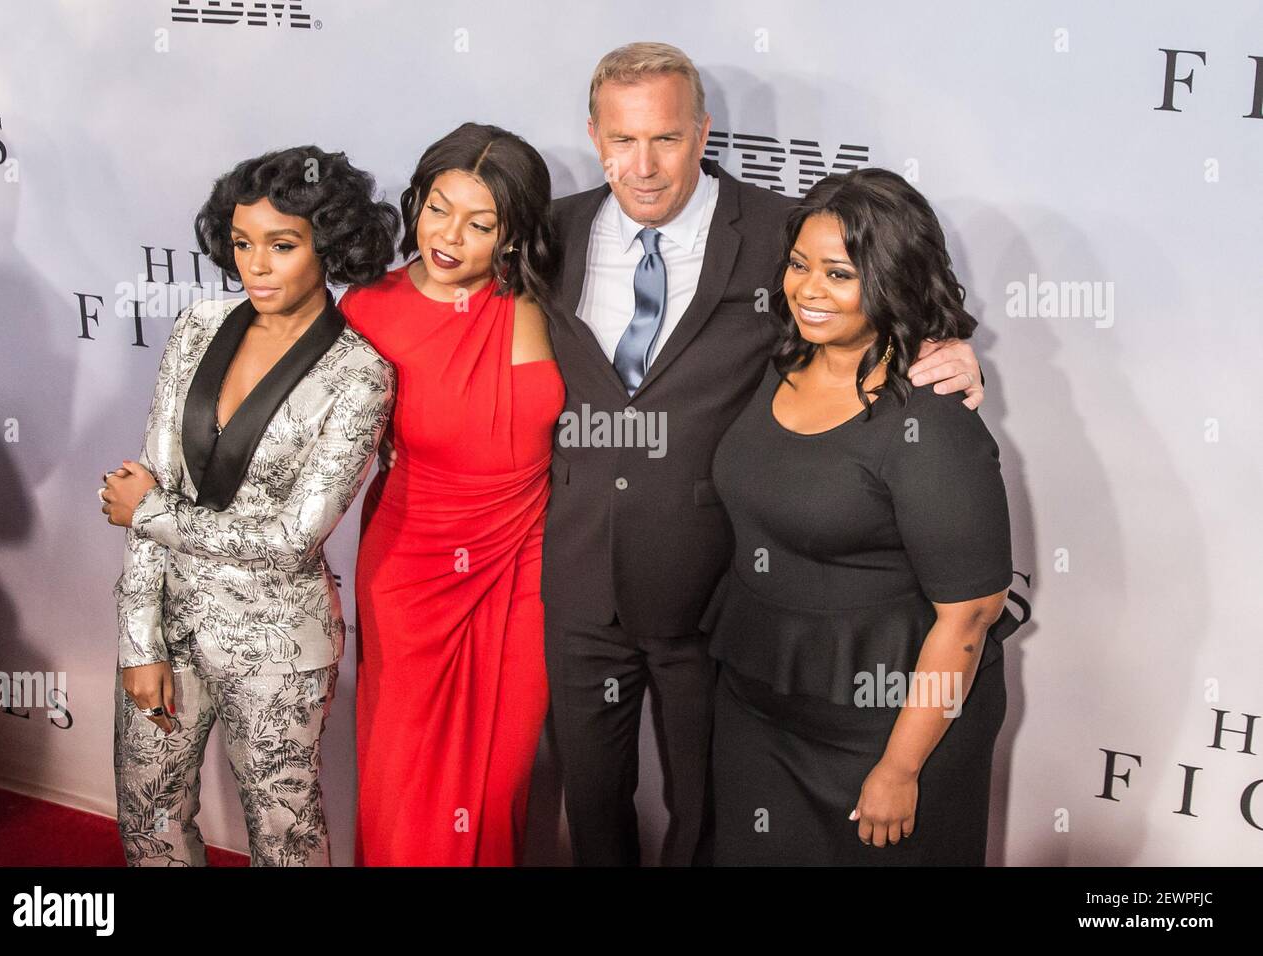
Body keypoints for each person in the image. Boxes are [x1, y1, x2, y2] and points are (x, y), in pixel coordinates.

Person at [542, 42, 988, 866]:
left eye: (666, 139)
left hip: (714, 586)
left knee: (709, 810)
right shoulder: (551, 234)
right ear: (594, 135)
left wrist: (954, 349)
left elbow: (874, 291)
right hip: (575, 574)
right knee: (589, 801)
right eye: (621, 141)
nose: (643, 167)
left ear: (703, 132)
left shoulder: (780, 235)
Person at [703, 168, 1019, 865]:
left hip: (884, 734)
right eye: (798, 265)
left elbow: (969, 615)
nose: (808, 290)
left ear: (892, 281)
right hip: (760, 711)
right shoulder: (782, 358)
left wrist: (900, 769)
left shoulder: (931, 420)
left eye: (839, 274)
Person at [101, 146, 397, 866]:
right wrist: (140, 639)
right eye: (241, 243)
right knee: (148, 819)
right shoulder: (198, 326)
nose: (255, 265)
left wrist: (150, 513)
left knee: (285, 839)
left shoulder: (362, 374)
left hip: (280, 647)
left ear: (327, 245)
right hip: (168, 625)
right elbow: (156, 475)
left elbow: (291, 537)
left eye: (282, 245)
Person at [342, 123, 564, 866]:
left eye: (480, 222)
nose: (448, 236)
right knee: (405, 782)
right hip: (412, 569)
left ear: (512, 233)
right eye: (438, 208)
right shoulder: (368, 311)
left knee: (497, 786)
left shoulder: (550, 299)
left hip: (527, 567)